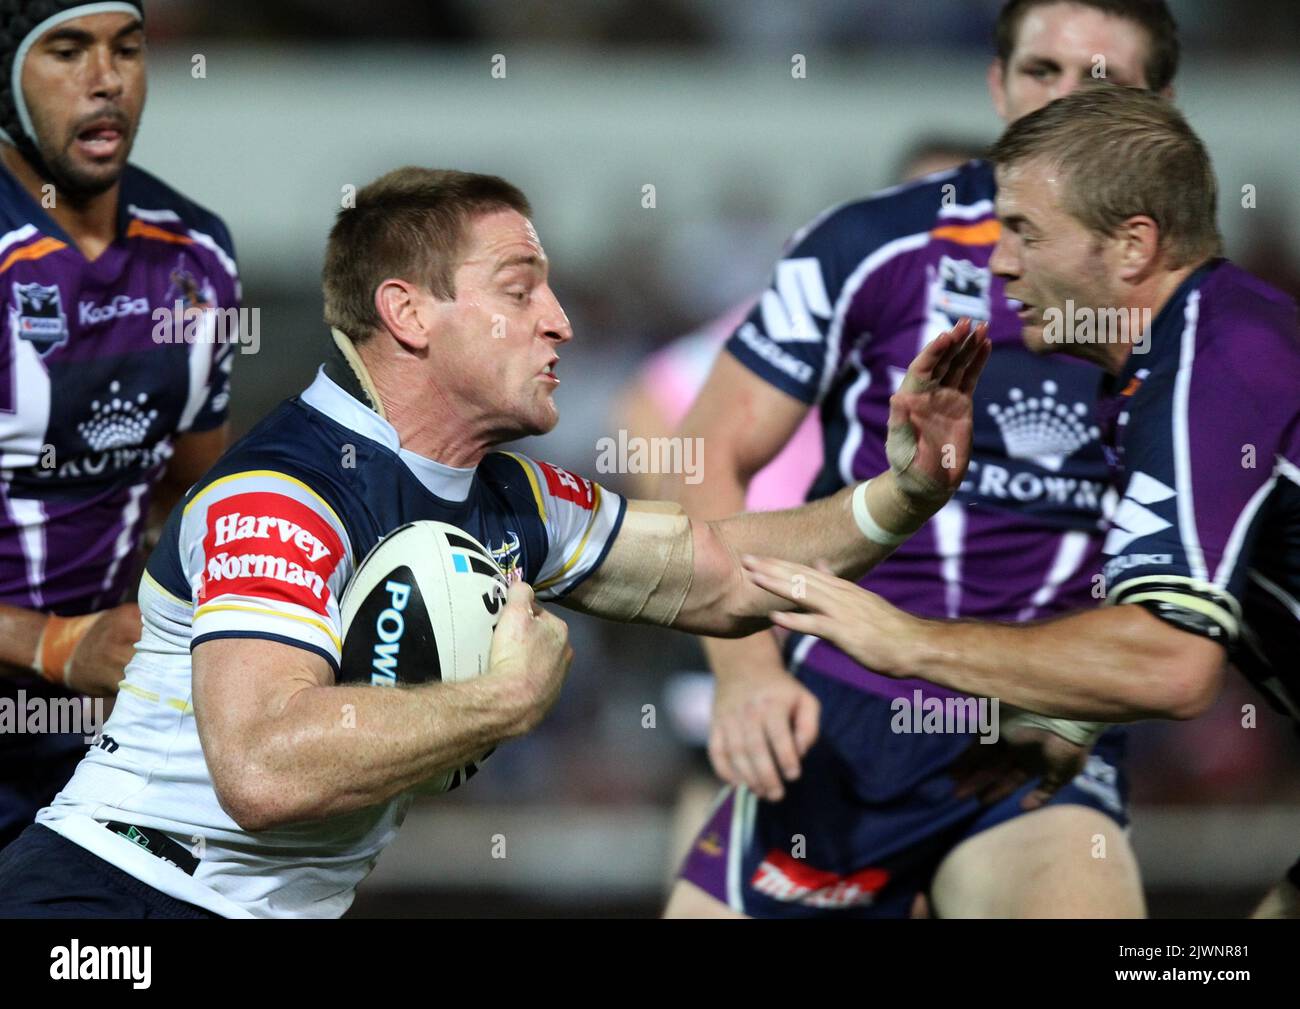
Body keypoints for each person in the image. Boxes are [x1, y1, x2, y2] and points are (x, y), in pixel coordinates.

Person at [0, 166, 989, 918]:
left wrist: (901, 494)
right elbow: (261, 770)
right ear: (407, 312)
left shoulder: (513, 493)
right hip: (109, 904)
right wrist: (498, 701)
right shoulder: (286, 491)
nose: (558, 322)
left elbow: (722, 577)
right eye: (520, 291)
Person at [665, 0, 1181, 919]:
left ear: (1162, 103)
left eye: (1097, 81)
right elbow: (705, 445)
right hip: (840, 708)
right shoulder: (874, 245)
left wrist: (1075, 707)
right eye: (1041, 73)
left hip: (1032, 726)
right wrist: (743, 673)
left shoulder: (1195, 307)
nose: (1060, 101)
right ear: (997, 83)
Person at [747, 86, 1300, 919]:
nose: (1000, 262)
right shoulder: (1194, 353)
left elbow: (1175, 660)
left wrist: (906, 642)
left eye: (1025, 232)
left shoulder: (1210, 371)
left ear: (1132, 246)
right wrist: (1064, 720)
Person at [0, 0, 239, 849]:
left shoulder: (197, 258)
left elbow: (195, 493)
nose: (106, 82)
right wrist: (57, 644)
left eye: (127, 50)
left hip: (99, 735)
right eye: (67, 51)